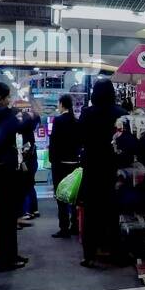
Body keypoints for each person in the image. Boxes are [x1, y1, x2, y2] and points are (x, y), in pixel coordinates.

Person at [79, 78, 127, 268]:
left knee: (91, 213)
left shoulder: (86, 113)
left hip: (92, 168)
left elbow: (81, 138)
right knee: (113, 213)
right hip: (113, 169)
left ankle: (89, 255)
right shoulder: (121, 113)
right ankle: (115, 252)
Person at [0, 82, 27, 270]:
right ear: (0, 99)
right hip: (4, 172)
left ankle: (8, 255)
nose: (9, 101)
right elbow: (23, 123)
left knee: (3, 217)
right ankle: (8, 258)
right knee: (7, 216)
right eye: (7, 98)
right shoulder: (2, 113)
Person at [49, 94, 82, 238]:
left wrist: (52, 160)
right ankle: (75, 225)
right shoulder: (76, 121)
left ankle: (64, 227)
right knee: (74, 195)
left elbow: (54, 143)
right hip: (75, 163)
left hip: (60, 164)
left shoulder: (58, 120)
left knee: (61, 195)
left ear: (62, 104)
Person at [19, 110, 42, 221]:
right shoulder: (30, 132)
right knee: (30, 185)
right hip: (33, 162)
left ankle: (27, 211)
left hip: (26, 163)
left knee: (25, 186)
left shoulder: (23, 134)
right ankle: (34, 209)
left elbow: (23, 150)